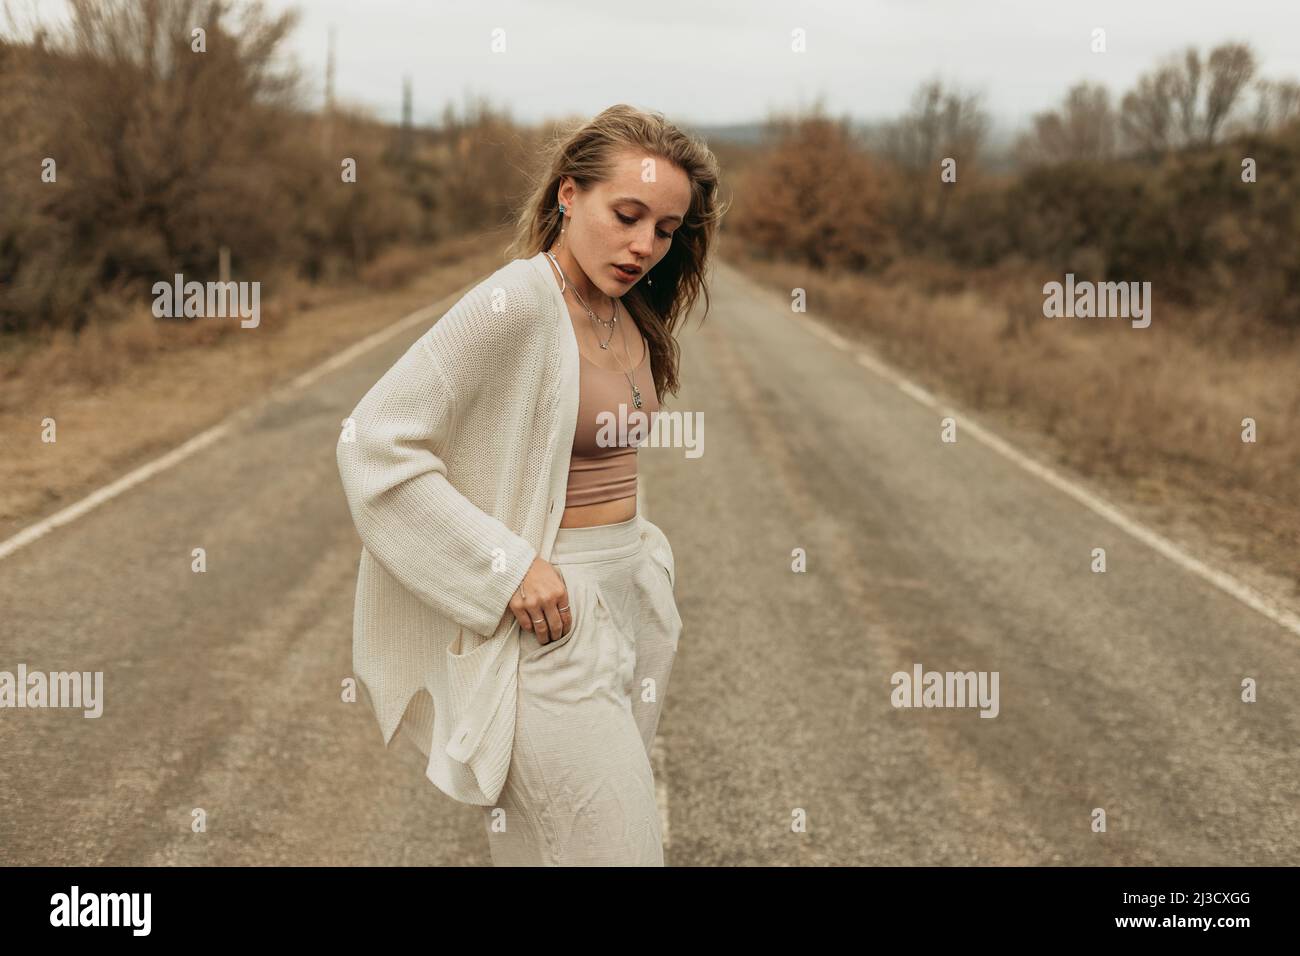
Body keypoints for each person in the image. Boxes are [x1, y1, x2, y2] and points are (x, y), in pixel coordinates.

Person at [336, 103, 727, 865]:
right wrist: (504, 567)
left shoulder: (624, 308)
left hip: (627, 608)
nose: (644, 245)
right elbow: (372, 440)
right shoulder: (514, 301)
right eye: (626, 214)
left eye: (666, 229)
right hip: (553, 624)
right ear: (568, 195)